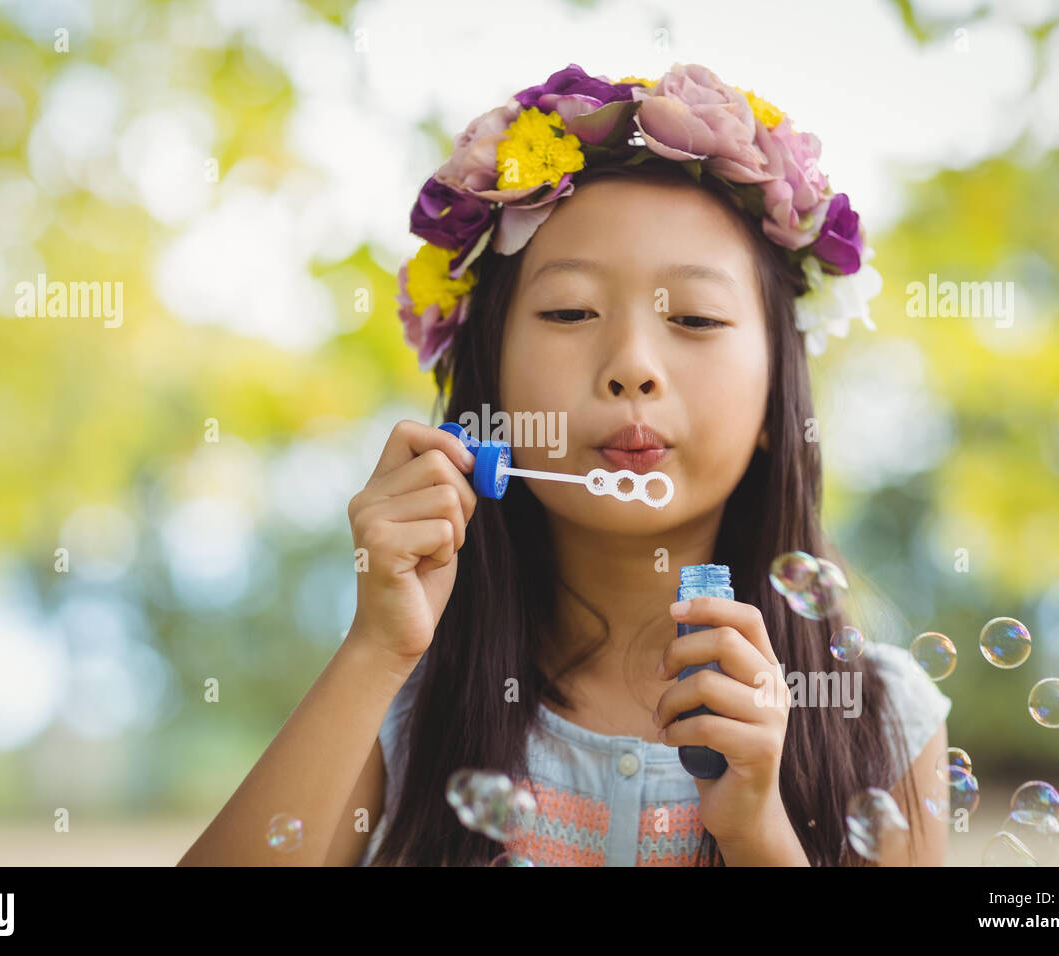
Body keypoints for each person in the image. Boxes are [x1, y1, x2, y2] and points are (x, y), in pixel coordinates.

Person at [180, 63, 951, 868]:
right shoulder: (397, 705)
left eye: (694, 316)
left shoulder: (880, 720)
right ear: (491, 378)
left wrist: (757, 831)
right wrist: (376, 649)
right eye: (570, 311)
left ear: (775, 401)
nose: (632, 366)